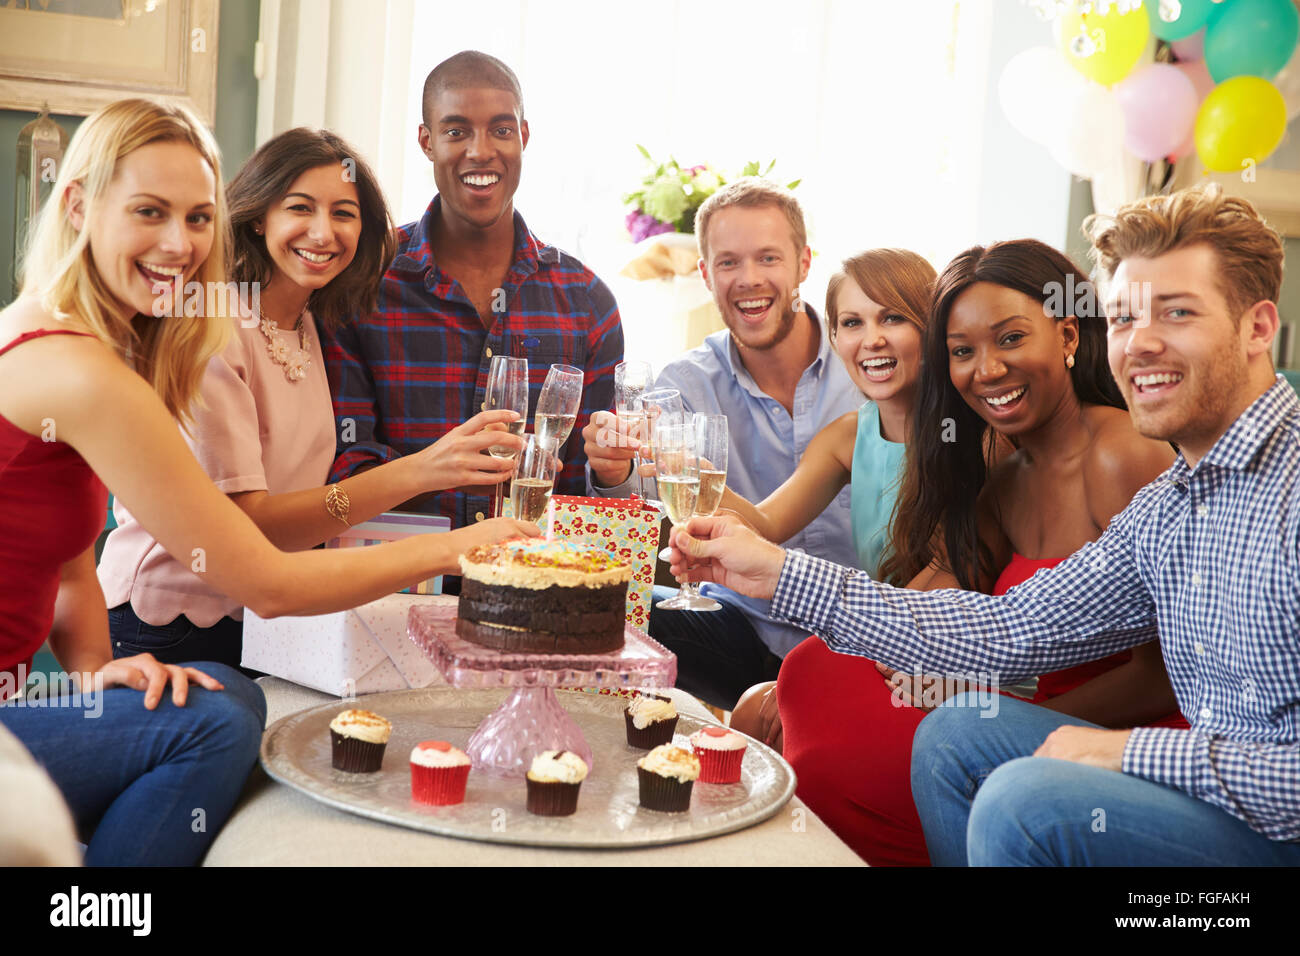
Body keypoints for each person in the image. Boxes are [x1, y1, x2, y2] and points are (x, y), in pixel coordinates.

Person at [669, 184, 1300, 865]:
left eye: (1176, 314)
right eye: (1122, 319)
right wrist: (778, 573)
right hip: (1207, 797)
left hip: (1269, 833)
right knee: (955, 734)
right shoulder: (1175, 501)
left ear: (1258, 327)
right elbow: (1012, 629)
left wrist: (1125, 749)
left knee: (1021, 799)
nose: (1139, 345)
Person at [0, 99, 532, 864]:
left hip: (42, 688)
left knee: (234, 699)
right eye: (149, 212)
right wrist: (456, 552)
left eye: (195, 218)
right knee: (217, 721)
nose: (178, 245)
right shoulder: (85, 369)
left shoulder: (96, 339)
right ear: (79, 205)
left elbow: (71, 556)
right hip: (147, 631)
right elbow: (269, 581)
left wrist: (90, 673)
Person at [769, 239, 1182, 866]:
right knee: (815, 670)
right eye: (963, 352)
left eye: (1011, 339)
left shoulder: (1122, 453)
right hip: (1013, 694)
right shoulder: (1009, 474)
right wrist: (867, 646)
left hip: (1108, 730)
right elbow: (939, 588)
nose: (985, 371)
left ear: (1068, 337)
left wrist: (1008, 713)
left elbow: (1166, 676)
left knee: (931, 727)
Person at [97, 128, 524, 670]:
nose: (323, 233)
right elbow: (249, 526)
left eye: (344, 213)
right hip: (171, 624)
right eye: (300, 208)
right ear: (258, 217)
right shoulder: (212, 329)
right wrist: (423, 474)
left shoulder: (310, 323)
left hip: (267, 617)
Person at [582, 178, 861, 709]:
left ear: (804, 263)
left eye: (768, 258)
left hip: (860, 635)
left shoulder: (864, 368)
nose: (748, 280)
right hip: (742, 630)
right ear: (706, 274)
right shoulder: (686, 383)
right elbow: (641, 491)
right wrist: (615, 469)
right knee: (596, 603)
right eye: (729, 262)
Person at [324, 50, 624, 533]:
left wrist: (616, 472)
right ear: (426, 141)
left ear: (523, 136)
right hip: (395, 581)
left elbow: (593, 493)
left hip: (537, 587)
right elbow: (343, 463)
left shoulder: (588, 301)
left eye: (501, 130)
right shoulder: (362, 282)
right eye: (456, 131)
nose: (481, 151)